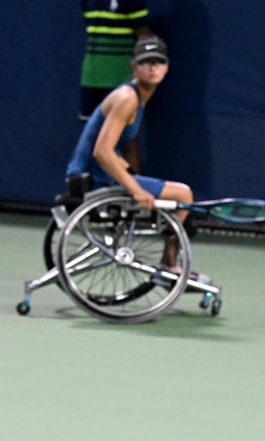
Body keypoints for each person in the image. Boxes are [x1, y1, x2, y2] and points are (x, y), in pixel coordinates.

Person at [66, 35, 197, 274]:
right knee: (184, 194)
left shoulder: (136, 97)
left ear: (166, 67)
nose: (153, 67)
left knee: (172, 194)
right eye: (146, 62)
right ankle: (169, 265)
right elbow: (102, 151)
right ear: (134, 66)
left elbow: (108, 150)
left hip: (94, 176)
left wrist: (127, 173)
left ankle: (170, 261)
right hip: (92, 180)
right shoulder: (128, 98)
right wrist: (137, 190)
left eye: (158, 62)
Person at [78, 0, 152, 171]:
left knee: (126, 139)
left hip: (121, 77)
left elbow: (144, 38)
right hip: (92, 76)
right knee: (95, 139)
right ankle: (102, 192)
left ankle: (134, 194)